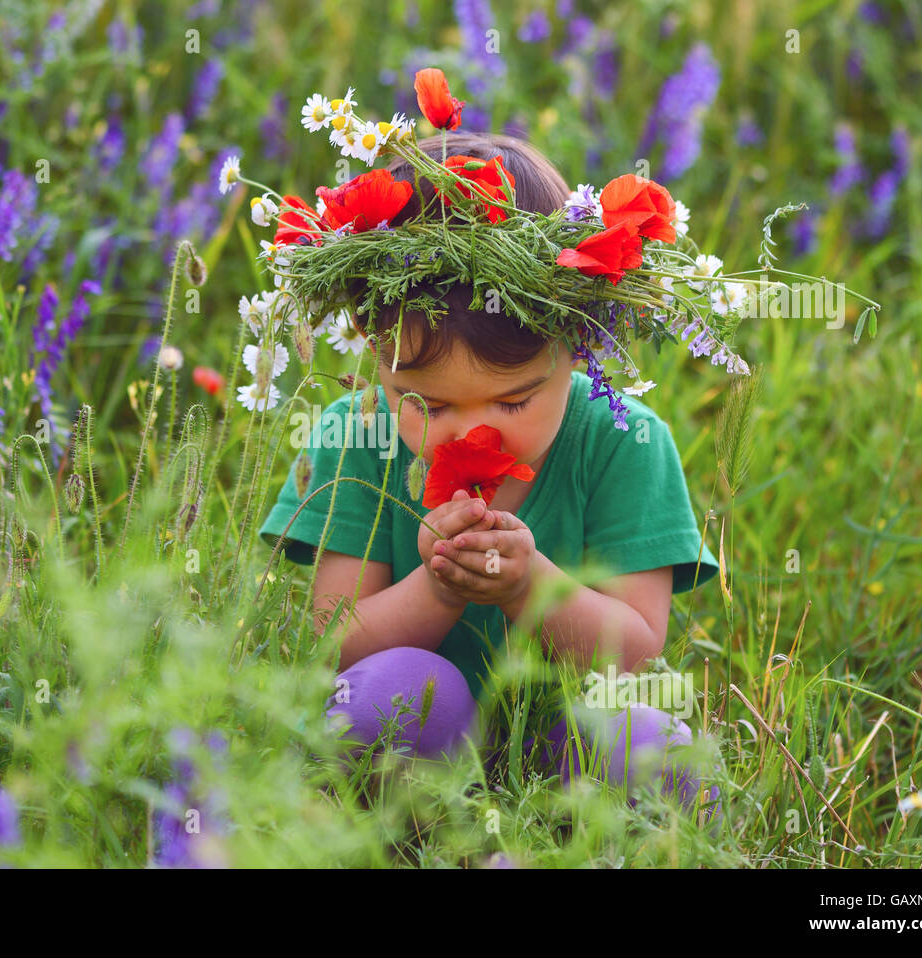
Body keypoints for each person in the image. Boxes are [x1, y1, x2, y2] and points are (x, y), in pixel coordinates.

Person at [257, 131, 723, 819]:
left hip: (569, 744)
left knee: (656, 750)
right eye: (431, 403)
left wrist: (528, 586)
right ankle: (424, 835)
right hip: (419, 748)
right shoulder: (355, 435)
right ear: (374, 349)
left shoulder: (627, 441)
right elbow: (329, 643)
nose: (474, 431)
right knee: (386, 697)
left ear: (579, 344)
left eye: (513, 400)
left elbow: (631, 653)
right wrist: (439, 587)